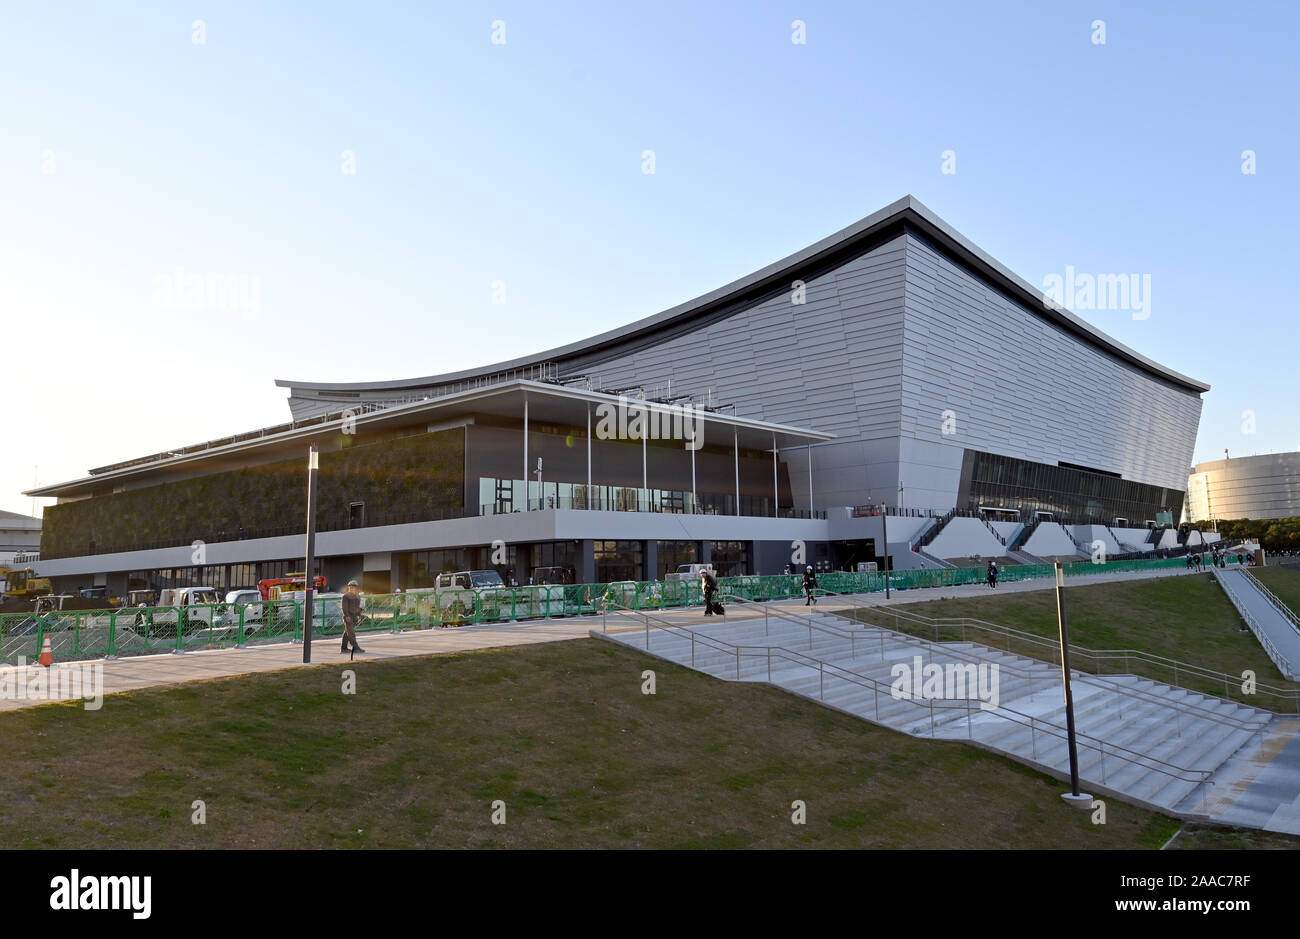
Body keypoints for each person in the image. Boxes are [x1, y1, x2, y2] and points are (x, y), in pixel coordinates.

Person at [340, 580, 366, 658]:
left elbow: (357, 607)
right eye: (350, 587)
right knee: (351, 633)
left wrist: (359, 615)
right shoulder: (346, 596)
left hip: (354, 616)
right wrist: (346, 616)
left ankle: (344, 648)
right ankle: (356, 648)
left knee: (347, 632)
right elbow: (344, 607)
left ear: (356, 588)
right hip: (349, 616)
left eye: (353, 587)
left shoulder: (357, 596)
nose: (351, 588)